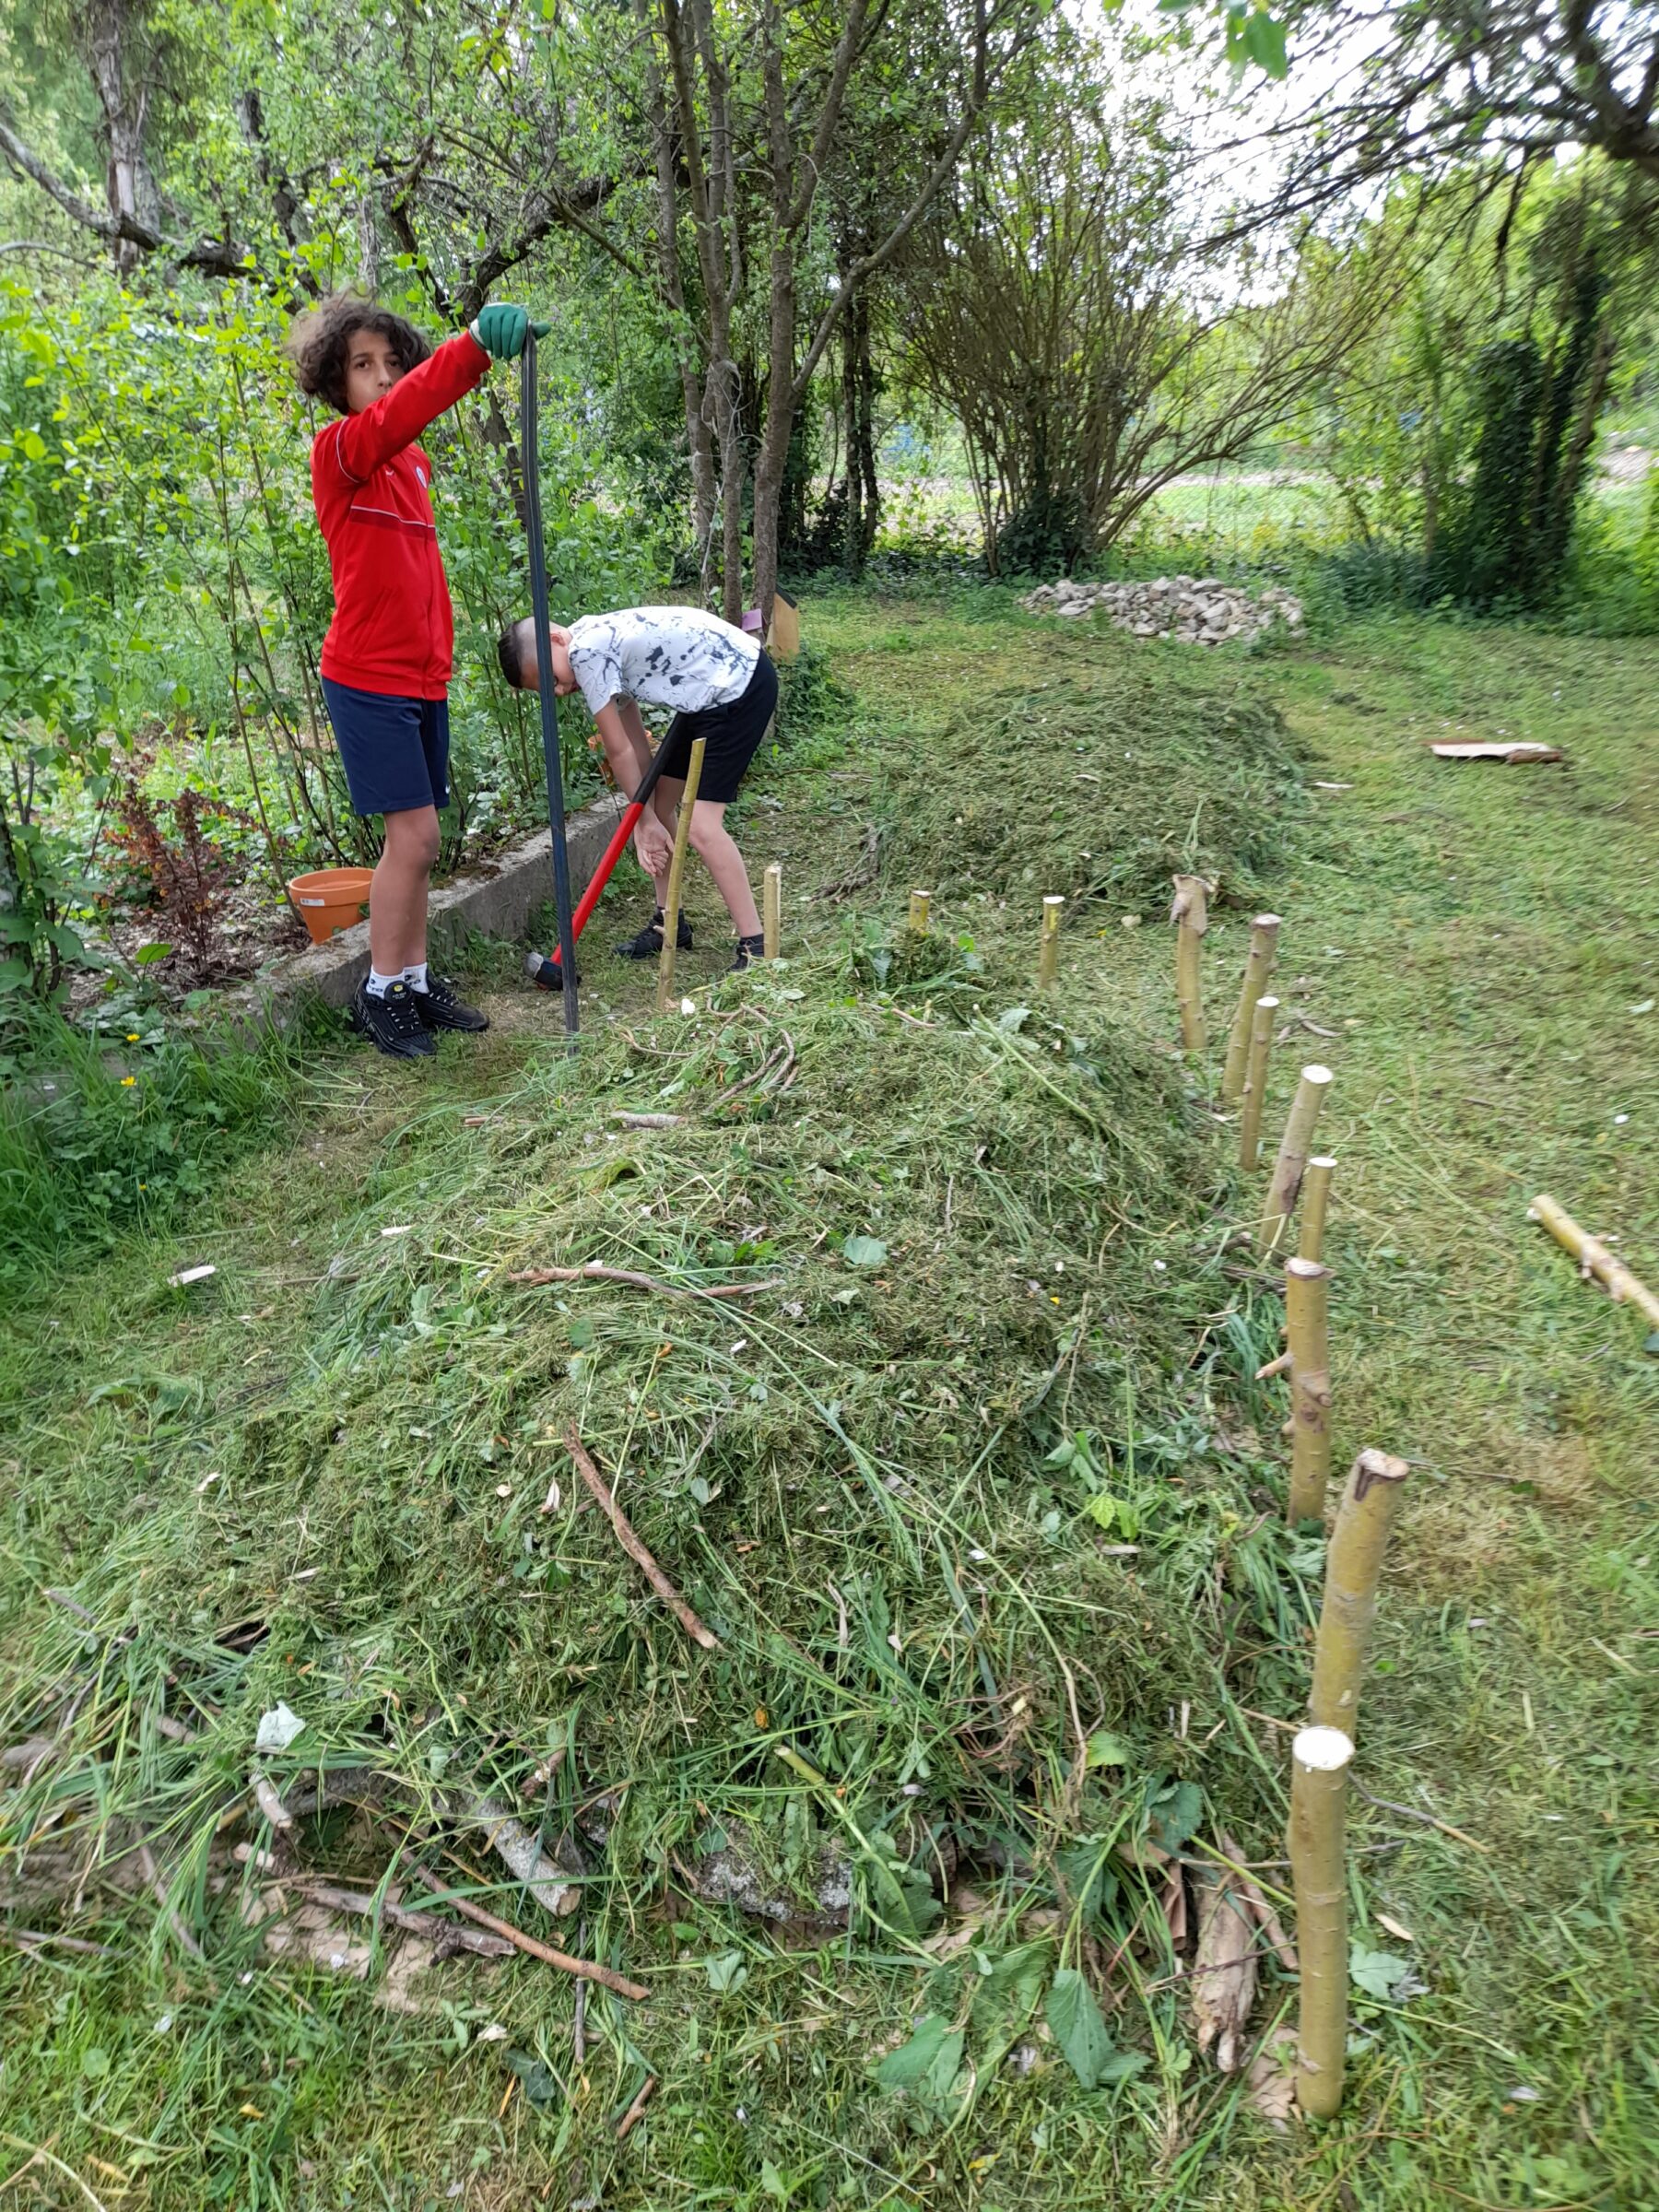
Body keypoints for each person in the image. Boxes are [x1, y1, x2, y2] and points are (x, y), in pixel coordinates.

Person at [288, 293, 546, 1057]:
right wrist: (469, 348)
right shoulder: (342, 451)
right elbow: (402, 414)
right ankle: (379, 991)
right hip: (365, 677)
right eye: (363, 366)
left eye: (393, 363)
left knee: (422, 844)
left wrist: (441, 664)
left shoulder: (414, 465)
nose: (382, 377)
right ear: (337, 381)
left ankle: (415, 979)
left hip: (419, 679)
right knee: (416, 838)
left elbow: (416, 573)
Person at [496, 606, 777, 971]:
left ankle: (756, 947)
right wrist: (646, 817)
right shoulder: (594, 639)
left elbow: (617, 749)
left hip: (738, 685)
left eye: (553, 678)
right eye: (550, 690)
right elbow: (636, 746)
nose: (562, 690)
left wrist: (642, 825)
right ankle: (669, 924)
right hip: (707, 692)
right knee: (660, 807)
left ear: (555, 639)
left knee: (702, 827)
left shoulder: (585, 653)